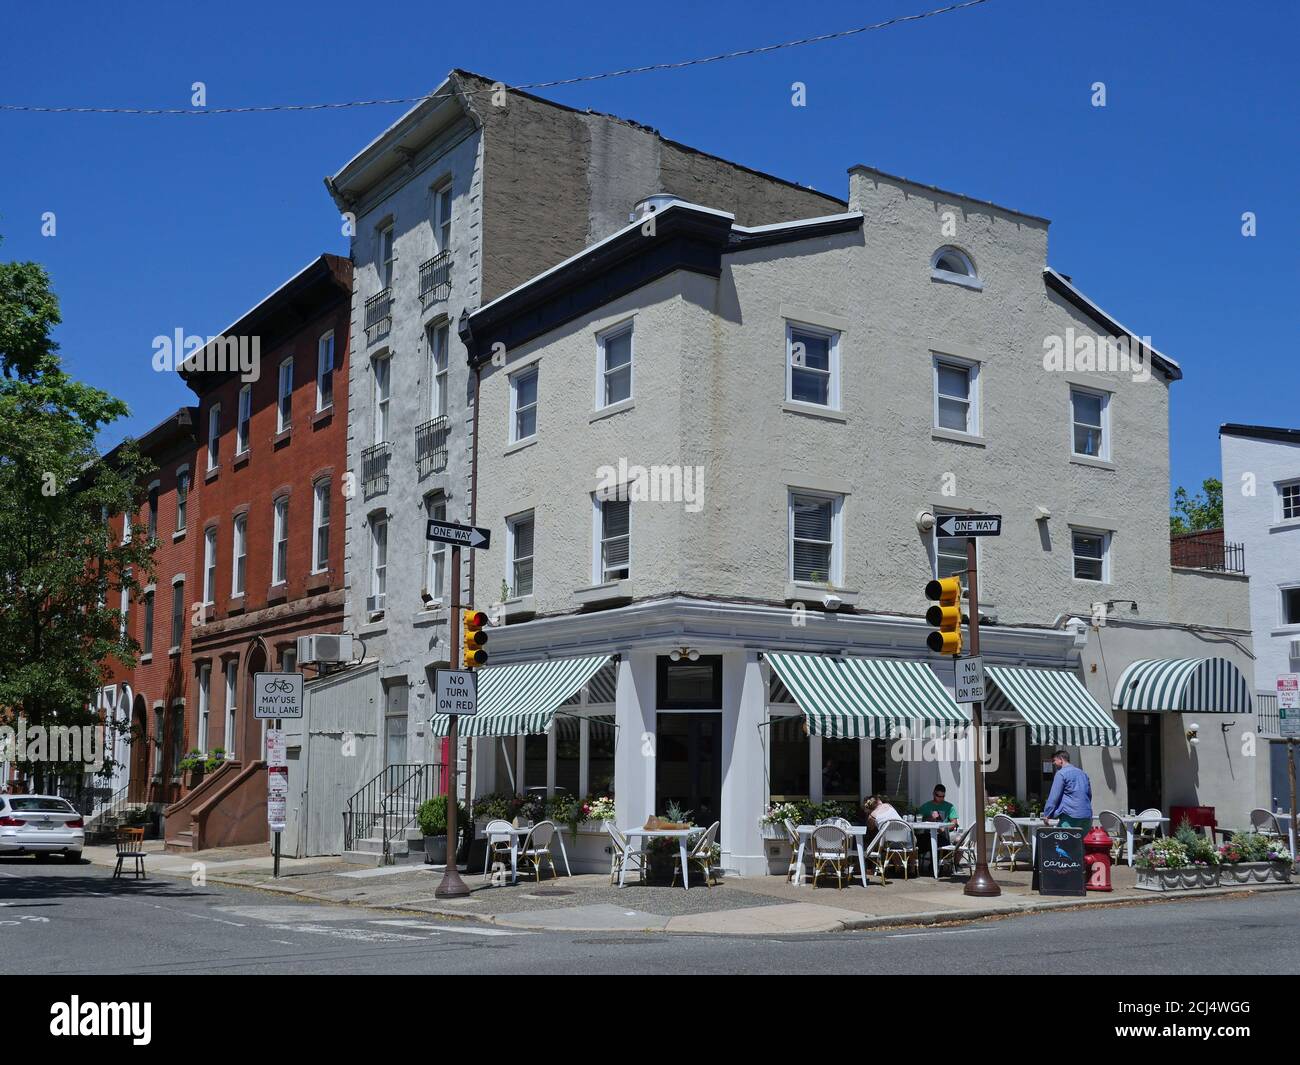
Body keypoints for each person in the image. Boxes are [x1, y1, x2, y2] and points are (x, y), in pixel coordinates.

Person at [1041, 750, 1092, 829]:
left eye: (1054, 760)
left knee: (1060, 840)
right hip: (1087, 817)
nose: (1053, 763)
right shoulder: (1082, 773)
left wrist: (1047, 814)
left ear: (1061, 759)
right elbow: (1089, 795)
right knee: (1077, 841)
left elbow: (1054, 797)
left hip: (1070, 816)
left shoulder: (1061, 773)